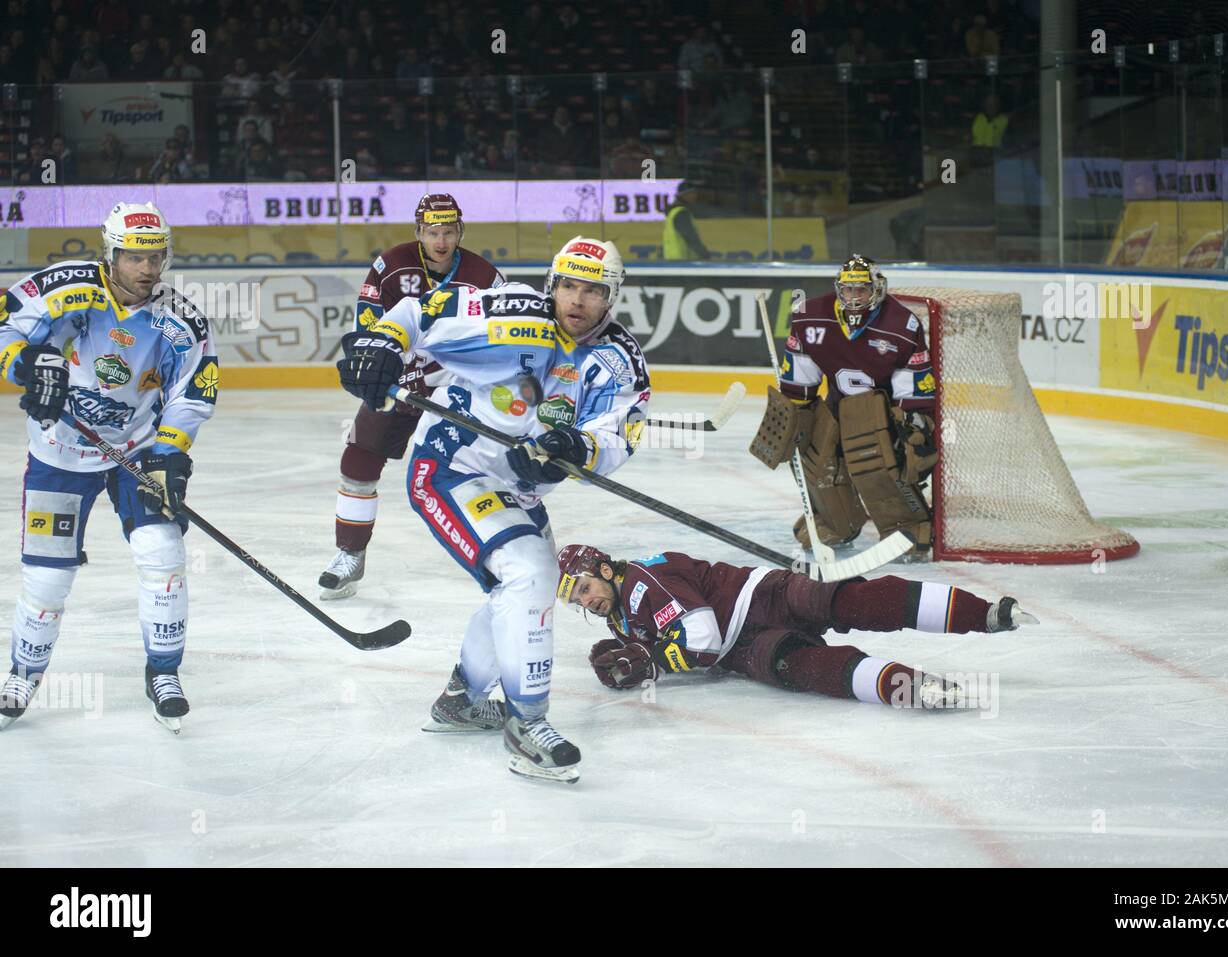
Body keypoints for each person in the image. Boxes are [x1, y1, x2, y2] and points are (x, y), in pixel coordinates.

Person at [336, 237, 650, 782]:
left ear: (612, 297)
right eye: (568, 286)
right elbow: (421, 310)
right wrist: (383, 343)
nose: (577, 301)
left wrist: (572, 453)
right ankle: (528, 724)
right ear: (552, 286)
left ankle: (461, 698)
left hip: (516, 490)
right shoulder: (513, 311)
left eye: (593, 291)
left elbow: (615, 435)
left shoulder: (619, 360)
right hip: (451, 467)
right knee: (529, 573)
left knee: (525, 582)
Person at [0, 203, 218, 733]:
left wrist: (169, 453)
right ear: (110, 252)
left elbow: (193, 392)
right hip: (60, 452)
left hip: (137, 451)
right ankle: (24, 672)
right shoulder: (61, 289)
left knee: (162, 554)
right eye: (134, 256)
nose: (146, 268)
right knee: (48, 577)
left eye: (155, 256)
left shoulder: (180, 317)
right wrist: (27, 365)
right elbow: (5, 328)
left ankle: (163, 672)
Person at [556, 544, 1035, 708]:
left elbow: (701, 638)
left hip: (762, 597)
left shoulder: (641, 582)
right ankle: (912, 688)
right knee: (802, 668)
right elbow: (694, 648)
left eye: (582, 589)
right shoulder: (619, 612)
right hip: (740, 650)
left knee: (848, 602)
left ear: (601, 569)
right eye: (576, 600)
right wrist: (637, 656)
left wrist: (650, 660)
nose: (586, 602)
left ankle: (984, 614)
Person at [319, 195, 504, 600]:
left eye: (449, 232)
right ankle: (350, 554)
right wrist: (376, 367)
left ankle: (506, 557)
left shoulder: (485, 276)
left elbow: (503, 335)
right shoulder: (390, 266)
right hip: (399, 386)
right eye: (433, 232)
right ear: (418, 231)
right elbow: (368, 325)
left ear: (460, 231)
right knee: (359, 458)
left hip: (459, 393)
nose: (441, 241)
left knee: (485, 472)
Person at [750, 255, 937, 556]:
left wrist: (912, 427)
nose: (854, 297)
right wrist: (793, 417)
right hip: (837, 407)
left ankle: (907, 527)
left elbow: (914, 393)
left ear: (876, 288)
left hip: (884, 417)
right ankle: (837, 522)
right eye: (848, 290)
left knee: (874, 454)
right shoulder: (811, 316)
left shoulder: (901, 325)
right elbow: (801, 385)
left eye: (861, 289)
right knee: (816, 453)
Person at [662, 181, 711, 260]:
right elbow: (690, 238)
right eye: (692, 193)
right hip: (684, 261)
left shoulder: (673, 213)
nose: (695, 196)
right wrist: (705, 255)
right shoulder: (681, 213)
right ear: (685, 195)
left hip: (673, 259)